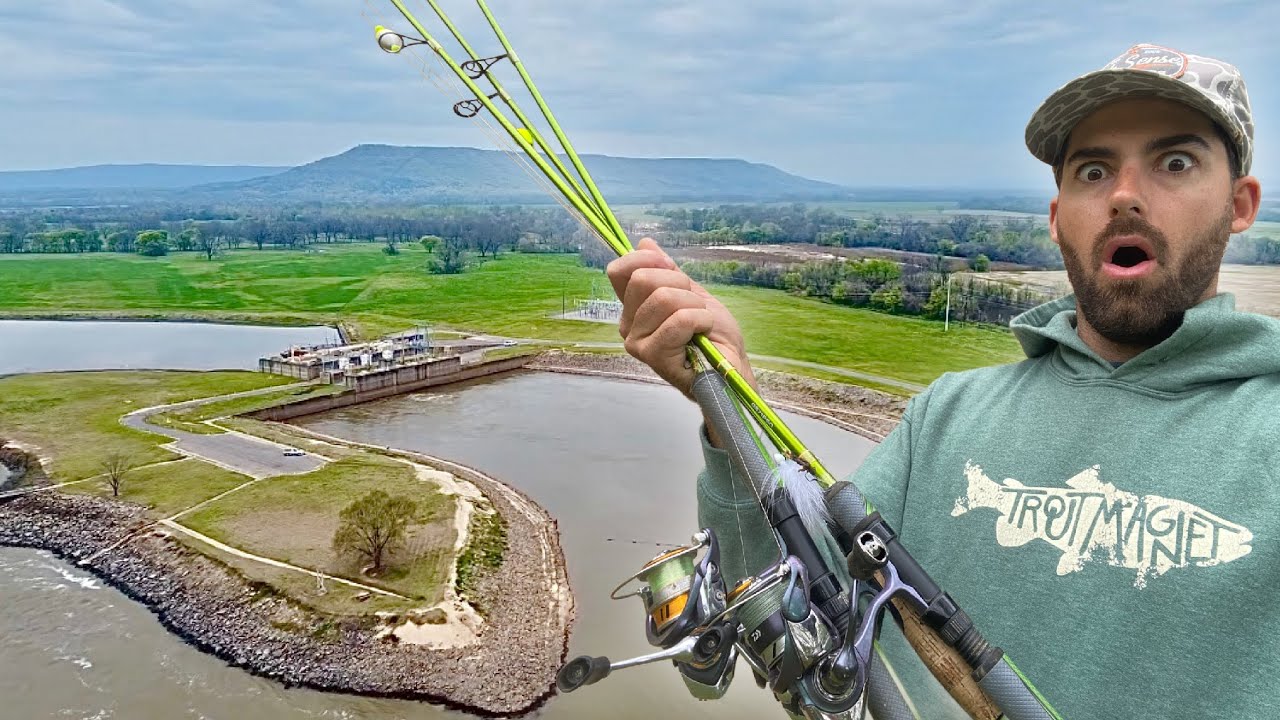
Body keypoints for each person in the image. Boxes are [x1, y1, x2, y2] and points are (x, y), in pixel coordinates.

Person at [606, 43, 1279, 719]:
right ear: (1056, 217)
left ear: (1239, 204)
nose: (1126, 195)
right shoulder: (948, 416)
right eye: (1094, 169)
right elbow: (796, 607)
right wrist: (728, 401)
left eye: (1176, 162)